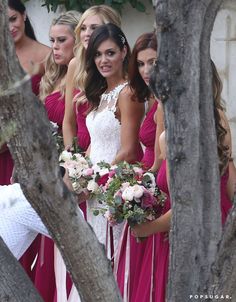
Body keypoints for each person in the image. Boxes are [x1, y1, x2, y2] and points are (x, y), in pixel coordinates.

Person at [132, 60, 233, 302]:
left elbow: (188, 208)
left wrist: (144, 228)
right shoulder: (219, 118)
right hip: (211, 226)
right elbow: (230, 185)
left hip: (184, 237)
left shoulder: (175, 136)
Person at [84, 23, 144, 261]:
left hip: (114, 186)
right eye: (97, 54)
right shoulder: (99, 95)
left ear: (124, 52)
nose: (103, 60)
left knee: (114, 257)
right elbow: (95, 142)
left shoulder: (129, 93)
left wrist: (98, 179)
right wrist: (80, 175)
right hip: (94, 189)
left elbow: (130, 150)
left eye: (110, 53)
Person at [114, 32, 164, 302]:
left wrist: (133, 186)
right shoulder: (153, 99)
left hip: (154, 188)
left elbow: (157, 161)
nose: (146, 70)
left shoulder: (164, 104)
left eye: (153, 63)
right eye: (142, 63)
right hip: (144, 183)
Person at [0, 0, 50, 187]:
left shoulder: (46, 56)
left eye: (13, 19)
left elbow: (53, 104)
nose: (10, 27)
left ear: (24, 15)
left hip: (30, 148)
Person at [62, 5, 121, 151]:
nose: (87, 34)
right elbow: (68, 121)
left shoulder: (117, 68)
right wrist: (72, 158)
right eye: (83, 28)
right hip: (80, 154)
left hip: (111, 151)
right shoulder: (75, 65)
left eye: (94, 28)